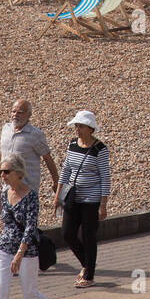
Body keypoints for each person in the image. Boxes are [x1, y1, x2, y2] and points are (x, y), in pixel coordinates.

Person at [57, 110, 110, 288]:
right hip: (73, 196)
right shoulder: (72, 144)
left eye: (80, 126)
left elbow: (105, 177)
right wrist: (58, 195)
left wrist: (103, 205)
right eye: (76, 126)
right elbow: (65, 170)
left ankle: (89, 275)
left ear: (90, 128)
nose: (77, 129)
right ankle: (87, 264)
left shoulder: (100, 149)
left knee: (88, 236)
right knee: (67, 233)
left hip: (91, 198)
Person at [0, 154, 48, 299]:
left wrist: (19, 254)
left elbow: (31, 226)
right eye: (1, 171)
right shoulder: (4, 193)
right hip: (4, 247)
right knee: (0, 293)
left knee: (30, 295)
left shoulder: (31, 195)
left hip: (27, 250)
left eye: (7, 171)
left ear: (18, 172)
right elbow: (5, 221)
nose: (2, 175)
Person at [0, 99, 59, 210]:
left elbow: (47, 158)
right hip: (6, 188)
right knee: (8, 223)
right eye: (13, 111)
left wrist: (56, 182)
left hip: (27, 190)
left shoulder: (35, 135)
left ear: (29, 115)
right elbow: (1, 154)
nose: (15, 115)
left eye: (20, 112)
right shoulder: (5, 129)